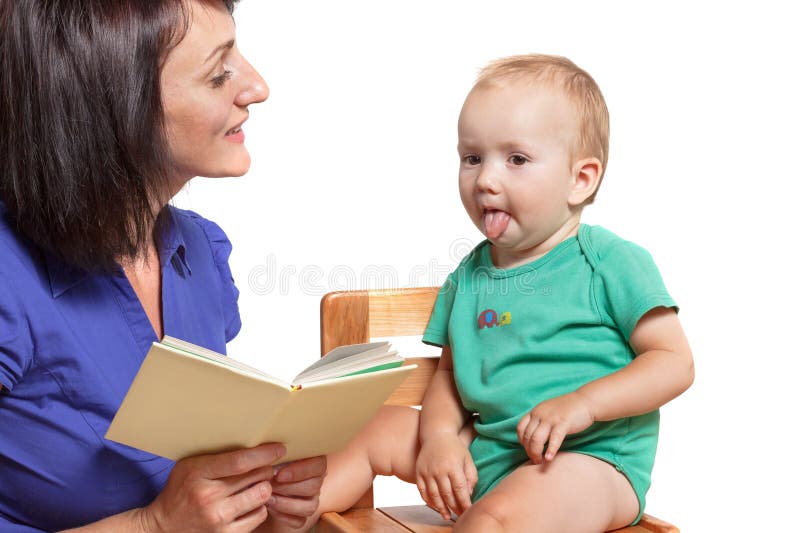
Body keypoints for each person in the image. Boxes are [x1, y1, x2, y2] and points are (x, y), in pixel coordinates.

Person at [278, 54, 695, 533]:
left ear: (580, 179)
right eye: (472, 158)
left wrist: (584, 403)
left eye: (516, 159)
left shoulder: (610, 262)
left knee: (494, 518)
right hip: (488, 452)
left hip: (586, 465)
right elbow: (451, 375)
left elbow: (674, 362)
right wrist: (438, 438)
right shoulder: (469, 276)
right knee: (372, 428)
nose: (486, 179)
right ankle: (279, 520)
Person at [0, 0, 325, 531]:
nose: (257, 87)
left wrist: (263, 508)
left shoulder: (197, 251)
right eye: (219, 74)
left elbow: (190, 488)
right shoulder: (9, 272)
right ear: (114, 107)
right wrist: (154, 525)